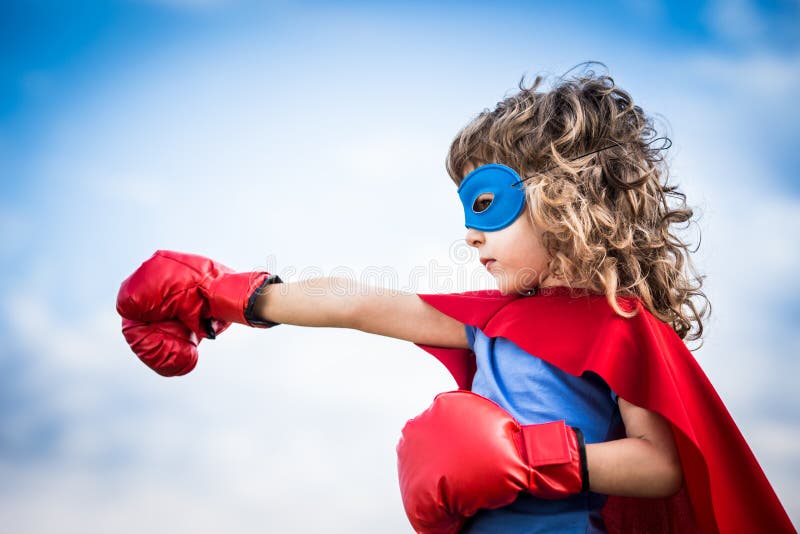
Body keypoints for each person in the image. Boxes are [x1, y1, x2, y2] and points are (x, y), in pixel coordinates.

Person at [116, 68, 794, 533]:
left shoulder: (620, 324)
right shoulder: (491, 320)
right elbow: (359, 304)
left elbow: (660, 465)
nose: (469, 234)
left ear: (565, 198)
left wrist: (531, 457)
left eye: (487, 202)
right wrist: (224, 294)